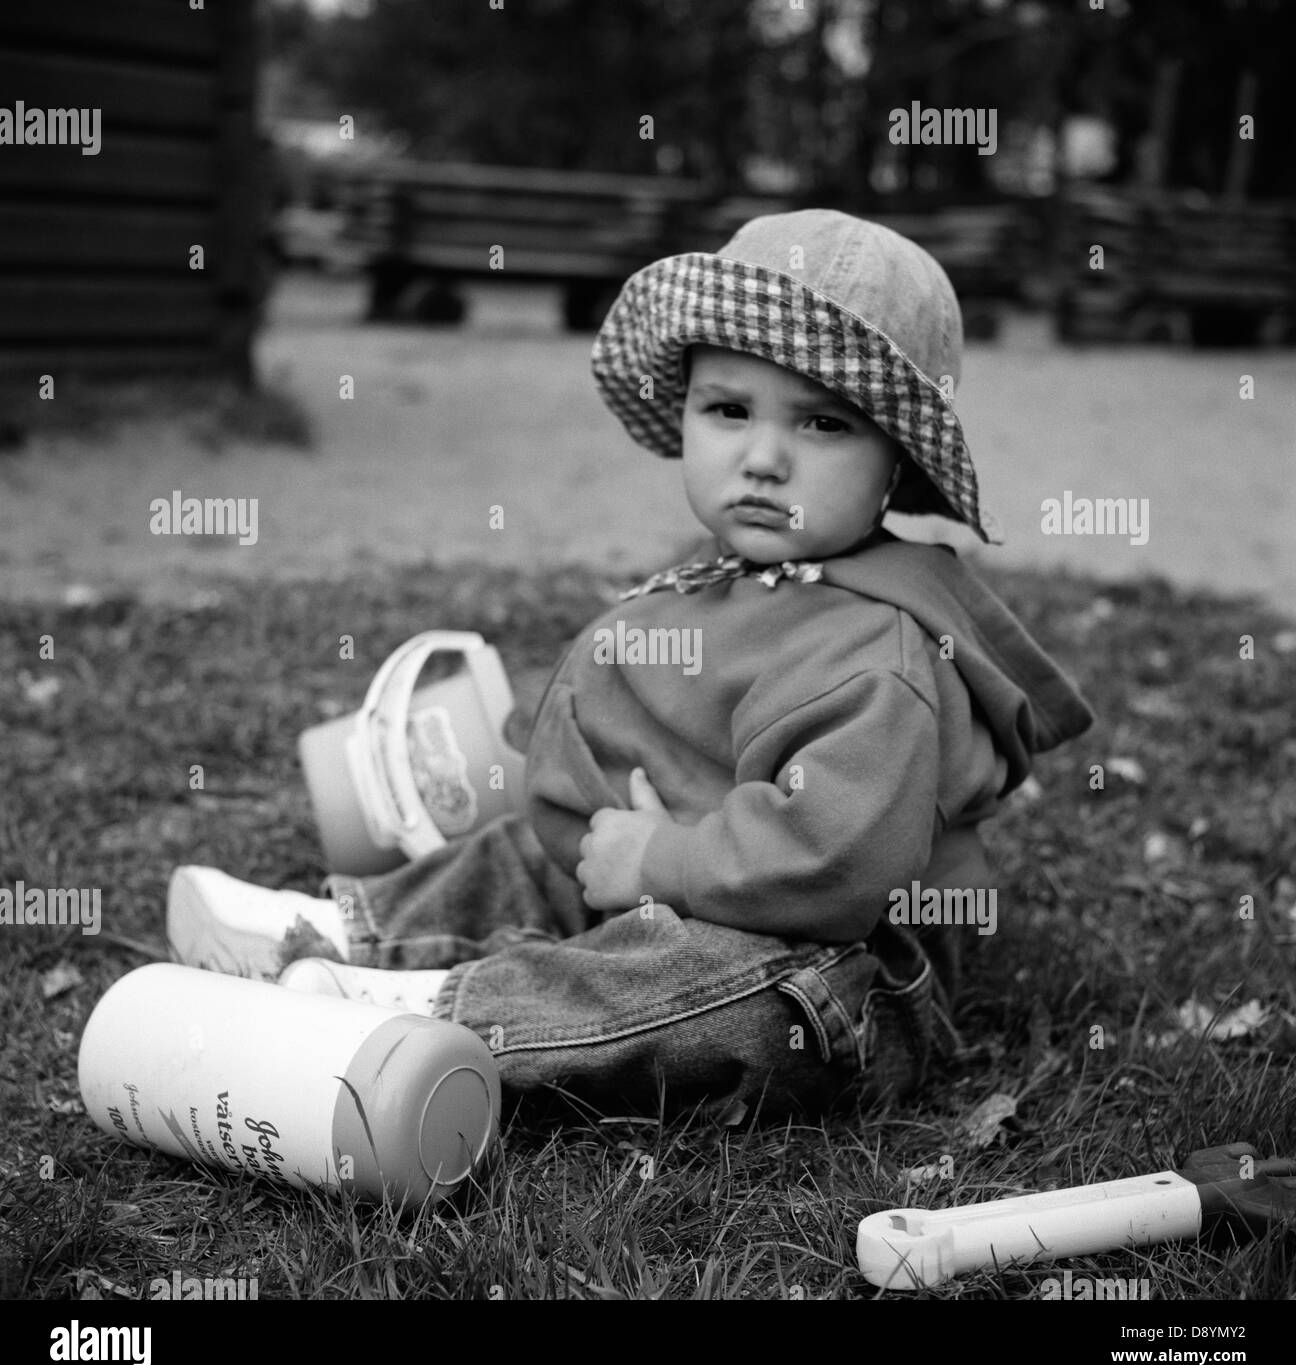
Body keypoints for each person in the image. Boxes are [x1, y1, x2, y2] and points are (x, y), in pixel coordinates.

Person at [167, 210, 1093, 1117]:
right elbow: (647, 731)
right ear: (685, 412)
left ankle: (438, 1015)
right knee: (529, 852)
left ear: (897, 461)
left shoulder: (877, 650)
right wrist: (590, 807)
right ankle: (344, 930)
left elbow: (837, 865)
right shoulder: (724, 587)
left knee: (749, 994)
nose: (764, 458)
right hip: (690, 878)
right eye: (730, 410)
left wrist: (661, 858)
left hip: (851, 963)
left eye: (823, 426)